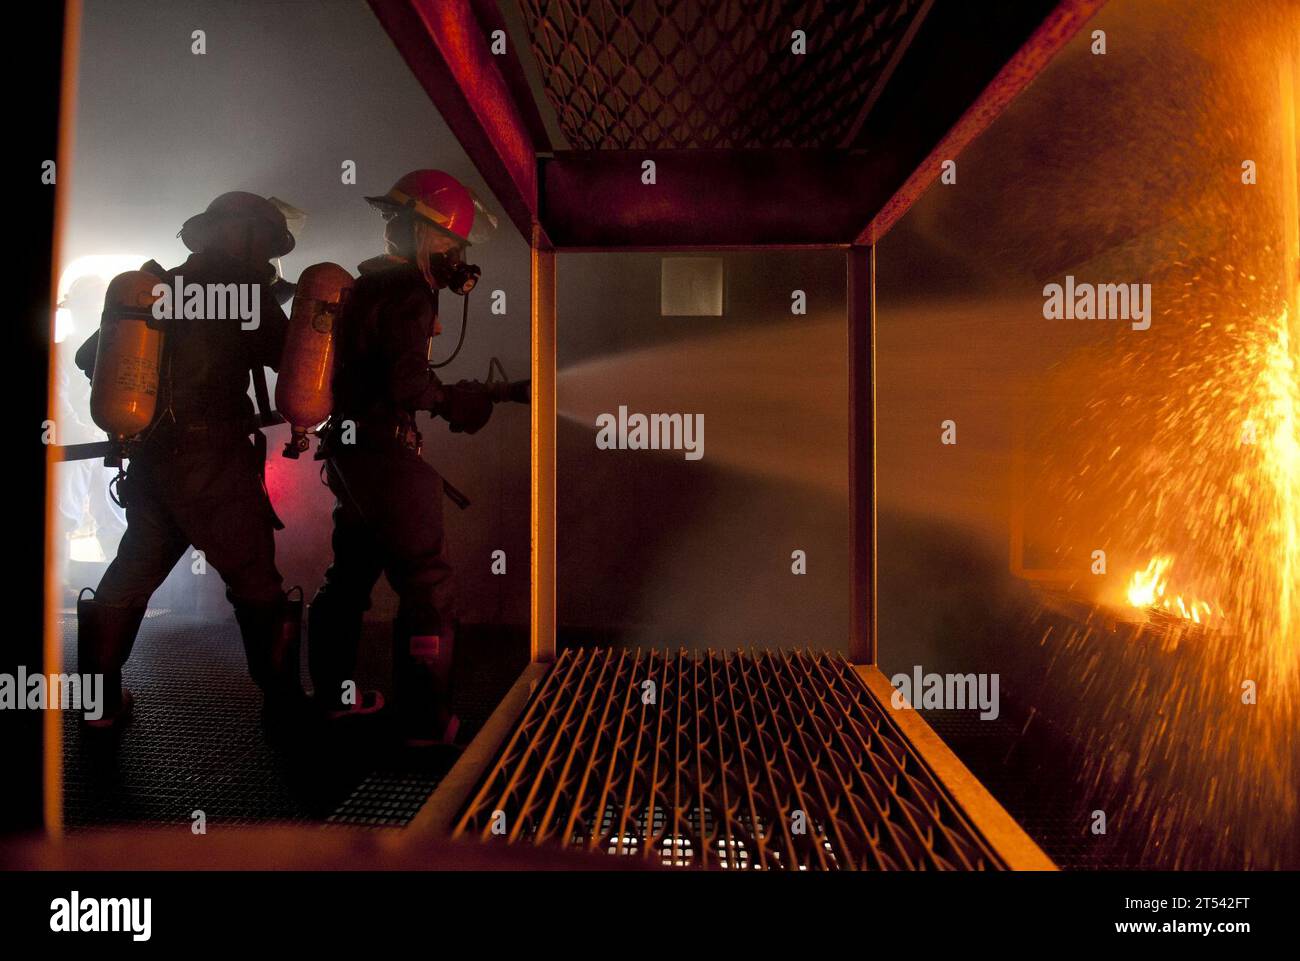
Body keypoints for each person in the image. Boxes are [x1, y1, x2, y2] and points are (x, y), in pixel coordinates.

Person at [75, 192, 299, 730]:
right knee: (255, 582)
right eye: (265, 241)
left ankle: (98, 706)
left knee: (130, 575)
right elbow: (292, 359)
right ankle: (285, 709)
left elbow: (91, 356)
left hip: (151, 462)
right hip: (216, 463)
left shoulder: (156, 288)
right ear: (244, 235)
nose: (268, 255)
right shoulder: (245, 291)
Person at [309, 169, 496, 746]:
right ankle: (425, 721)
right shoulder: (411, 292)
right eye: (451, 243)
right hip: (386, 453)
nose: (456, 256)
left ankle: (338, 700)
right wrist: (452, 404)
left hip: (349, 452)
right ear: (424, 234)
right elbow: (408, 384)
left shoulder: (368, 284)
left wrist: (451, 395)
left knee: (349, 579)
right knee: (426, 583)